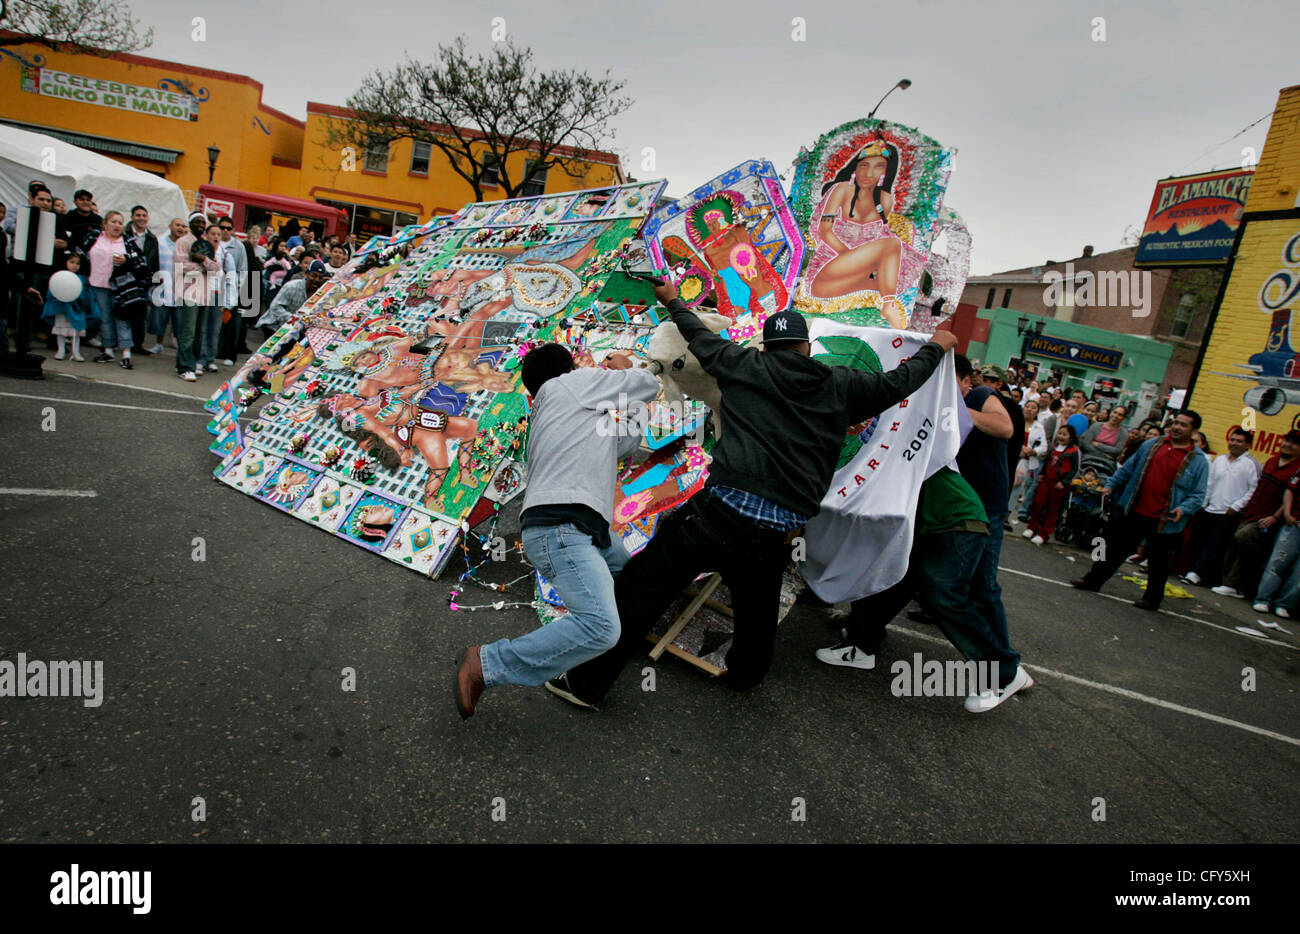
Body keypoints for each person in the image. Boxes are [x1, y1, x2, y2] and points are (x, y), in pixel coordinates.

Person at [551, 281, 959, 709]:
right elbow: (901, 380)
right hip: (774, 532)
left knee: (642, 587)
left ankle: (586, 683)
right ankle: (746, 676)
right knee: (757, 609)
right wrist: (937, 345)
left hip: (717, 513)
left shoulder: (744, 365)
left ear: (768, 347)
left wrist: (672, 299)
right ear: (805, 348)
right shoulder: (842, 385)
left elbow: (698, 335)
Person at [453, 346, 661, 719]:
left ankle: (585, 664)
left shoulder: (563, 410)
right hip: (561, 527)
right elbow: (642, 383)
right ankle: (487, 662)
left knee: (628, 579)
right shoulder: (569, 385)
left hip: (581, 526)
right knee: (601, 625)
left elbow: (625, 442)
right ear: (570, 369)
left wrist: (634, 403)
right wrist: (631, 367)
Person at [816, 466, 1032, 713]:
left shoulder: (897, 446)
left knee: (944, 597)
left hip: (955, 519)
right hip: (943, 519)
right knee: (901, 581)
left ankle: (1004, 673)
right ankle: (863, 642)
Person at [1072, 411, 1209, 610]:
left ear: (1194, 430)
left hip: (1165, 519)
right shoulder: (1152, 445)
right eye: (1176, 423)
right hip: (1135, 509)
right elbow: (1128, 468)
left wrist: (1183, 508)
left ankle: (1152, 600)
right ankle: (1092, 581)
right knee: (1115, 550)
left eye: (1184, 425)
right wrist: (1111, 485)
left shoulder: (1198, 460)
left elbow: (1198, 494)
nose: (1178, 427)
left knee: (1159, 562)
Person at [1211, 431, 1300, 600]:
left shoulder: (1297, 468)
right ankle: (1230, 584)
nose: (1288, 445)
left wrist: (1275, 517)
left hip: (1268, 518)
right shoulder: (1273, 460)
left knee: (1243, 538)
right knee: (1234, 544)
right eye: (1286, 440)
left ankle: (1242, 583)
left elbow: (1290, 495)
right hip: (1252, 511)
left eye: (1294, 443)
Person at [1181, 428, 1259, 587]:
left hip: (1229, 512)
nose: (1234, 443)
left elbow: (1254, 489)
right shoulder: (1220, 460)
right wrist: (1204, 502)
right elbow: (1209, 483)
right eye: (1232, 440)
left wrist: (1237, 506)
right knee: (1201, 541)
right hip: (1211, 509)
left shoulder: (1251, 464)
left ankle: (1197, 573)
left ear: (1247, 445)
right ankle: (1196, 572)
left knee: (1215, 544)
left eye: (1239, 441)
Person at [77, 211, 133, 367]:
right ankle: (108, 350)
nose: (117, 225)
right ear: (105, 223)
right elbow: (80, 254)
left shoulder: (127, 241)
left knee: (122, 318)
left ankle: (126, 353)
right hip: (97, 283)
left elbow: (138, 261)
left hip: (120, 286)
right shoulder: (94, 237)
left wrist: (126, 260)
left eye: (120, 223)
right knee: (105, 318)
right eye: (114, 221)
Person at [1023, 425, 1080, 544]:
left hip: (1059, 483)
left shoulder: (1074, 451)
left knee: (1052, 508)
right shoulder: (1053, 447)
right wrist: (1041, 474)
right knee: (1038, 503)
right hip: (1047, 479)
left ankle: (1044, 533)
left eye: (1065, 434)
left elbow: (1075, 470)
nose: (1061, 436)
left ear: (1071, 438)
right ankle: (1032, 527)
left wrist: (1064, 482)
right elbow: (1047, 461)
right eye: (1060, 433)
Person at [1251, 478, 1300, 619]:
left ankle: (1284, 604)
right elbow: (1290, 490)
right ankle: (1263, 599)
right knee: (1278, 563)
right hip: (1295, 525)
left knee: (1298, 576)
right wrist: (1287, 512)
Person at [40, 254, 96, 361]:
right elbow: (52, 292)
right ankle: (60, 350)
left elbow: (86, 294)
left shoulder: (82, 279)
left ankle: (76, 352)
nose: (75, 265)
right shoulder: (59, 276)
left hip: (76, 309)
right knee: (60, 330)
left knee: (76, 331)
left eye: (78, 263)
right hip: (61, 308)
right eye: (72, 262)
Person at [147, 218, 188, 354]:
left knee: (179, 321)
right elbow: (153, 262)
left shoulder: (188, 246)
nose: (180, 228)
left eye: (183, 226)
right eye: (177, 225)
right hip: (163, 287)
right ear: (170, 226)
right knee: (160, 318)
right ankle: (159, 344)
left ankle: (180, 347)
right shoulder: (160, 242)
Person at [256, 259, 330, 330]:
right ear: (307, 274)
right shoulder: (291, 286)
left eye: (320, 277)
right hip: (274, 325)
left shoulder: (321, 295)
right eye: (313, 275)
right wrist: (296, 319)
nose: (316, 280)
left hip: (295, 330)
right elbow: (275, 307)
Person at [126, 205, 159, 353]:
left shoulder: (152, 239)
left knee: (140, 315)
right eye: (138, 215)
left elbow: (155, 262)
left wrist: (151, 280)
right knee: (122, 312)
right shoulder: (124, 234)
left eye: (144, 215)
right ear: (132, 217)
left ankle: (137, 345)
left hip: (143, 282)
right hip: (125, 279)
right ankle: (116, 343)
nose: (141, 218)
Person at [1009, 398, 1046, 524]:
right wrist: (1019, 448)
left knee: (1017, 486)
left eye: (1033, 408)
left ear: (1037, 412)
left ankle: (1007, 514)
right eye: (1027, 406)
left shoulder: (1039, 427)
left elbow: (1043, 447)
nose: (1029, 409)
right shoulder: (1014, 421)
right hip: (1010, 457)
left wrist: (1031, 451)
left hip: (1025, 461)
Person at [1080, 405, 1128, 471]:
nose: (1116, 416)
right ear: (1111, 413)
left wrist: (1098, 445)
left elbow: (1117, 451)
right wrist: (1104, 454)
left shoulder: (1123, 433)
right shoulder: (1096, 426)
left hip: (1107, 464)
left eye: (1120, 415)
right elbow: (1086, 444)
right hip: (1088, 458)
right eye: (1115, 412)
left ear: (1123, 418)